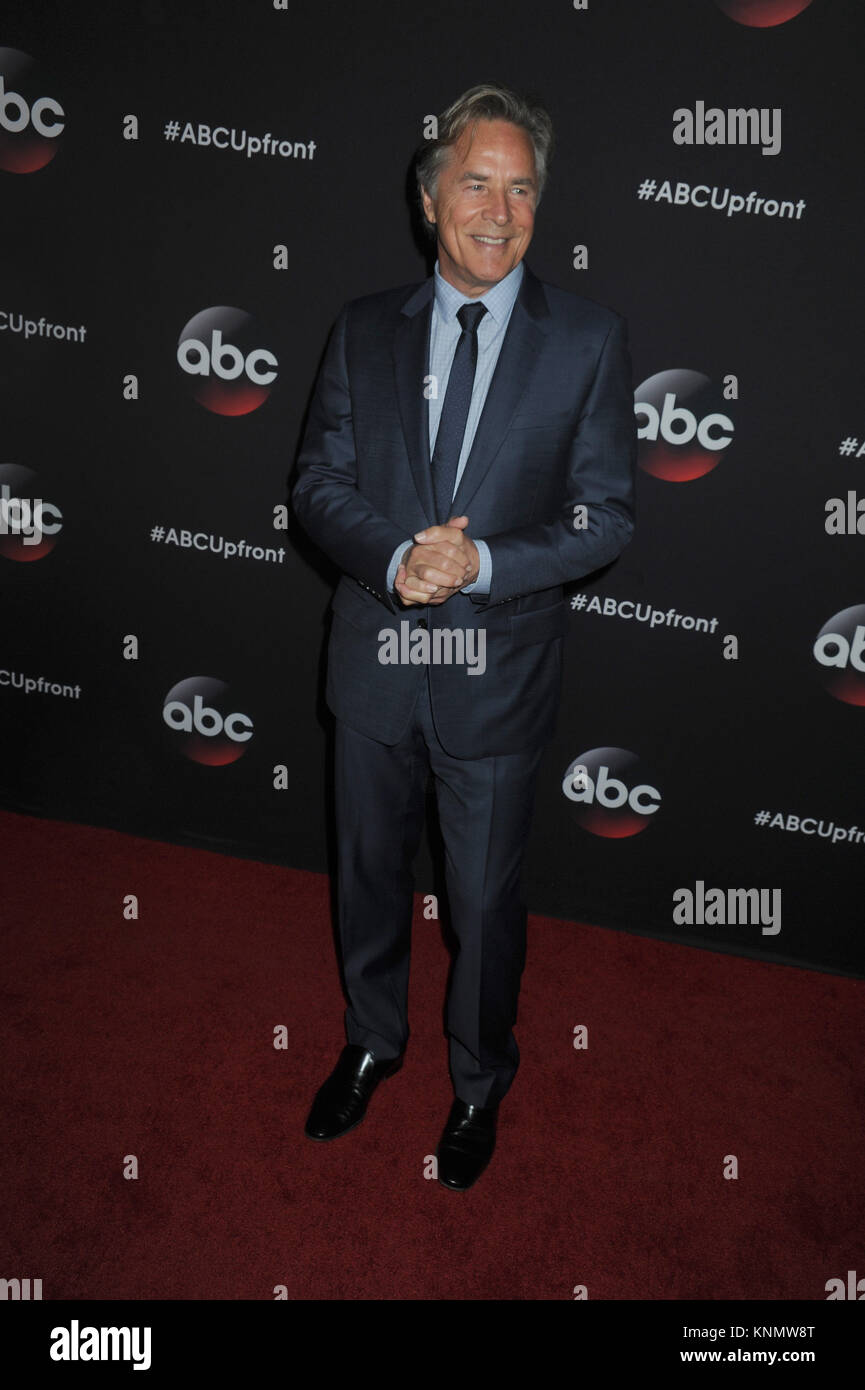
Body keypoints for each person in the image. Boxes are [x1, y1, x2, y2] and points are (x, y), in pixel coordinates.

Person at [291, 82, 636, 1190]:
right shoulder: (360, 328)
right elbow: (319, 483)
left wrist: (480, 562)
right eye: (477, 183)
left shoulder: (586, 341)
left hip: (496, 671)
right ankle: (371, 1038)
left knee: (484, 905)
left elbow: (604, 516)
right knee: (366, 874)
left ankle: (480, 1081)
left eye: (522, 187)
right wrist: (398, 559)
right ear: (431, 198)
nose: (500, 209)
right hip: (378, 658)